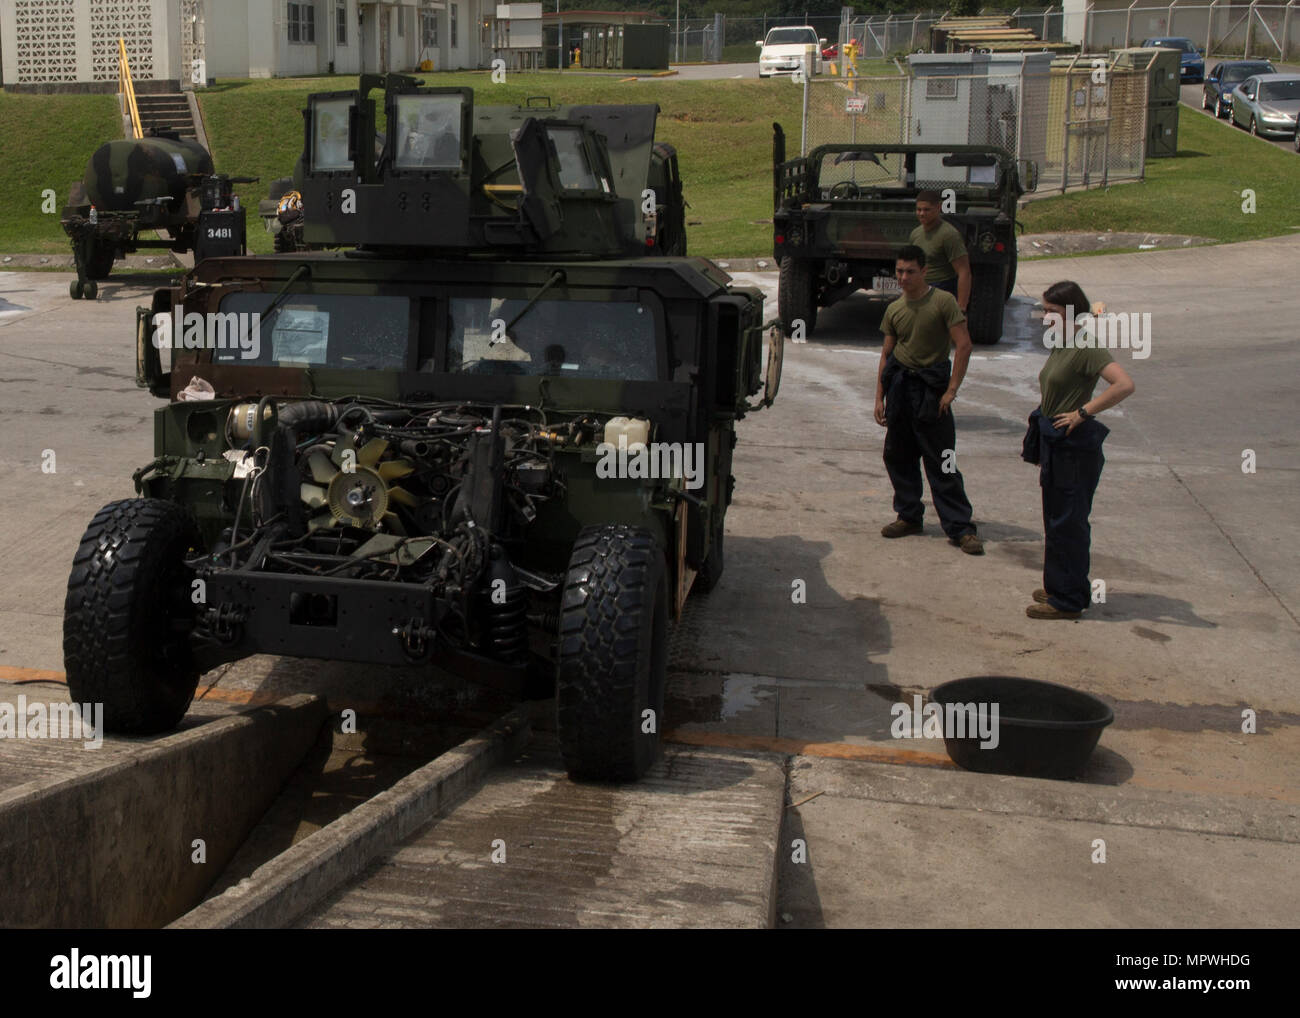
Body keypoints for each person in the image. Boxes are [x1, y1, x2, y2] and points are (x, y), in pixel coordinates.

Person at [1024, 281, 1136, 619]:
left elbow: (1124, 384)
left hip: (1074, 450)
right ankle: (1060, 584)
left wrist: (1084, 412)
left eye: (1052, 312)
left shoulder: (1085, 345)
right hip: (1057, 444)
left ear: (1071, 313)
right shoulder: (1062, 343)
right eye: (1044, 310)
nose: (1045, 317)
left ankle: (1068, 600)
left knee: (1069, 522)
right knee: (1055, 519)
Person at [874, 245, 983, 555]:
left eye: (910, 271)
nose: (904, 277)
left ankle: (960, 528)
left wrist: (950, 390)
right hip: (900, 387)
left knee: (941, 461)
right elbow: (886, 354)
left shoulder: (943, 302)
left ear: (924, 271)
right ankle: (909, 516)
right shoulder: (894, 309)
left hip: (930, 390)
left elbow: (964, 346)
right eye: (899, 271)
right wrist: (879, 397)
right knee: (898, 455)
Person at [909, 190, 971, 313]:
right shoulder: (915, 234)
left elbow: (964, 272)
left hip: (942, 291)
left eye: (927, 210)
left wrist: (961, 307)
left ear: (938, 208)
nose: (921, 214)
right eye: (919, 210)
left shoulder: (949, 235)